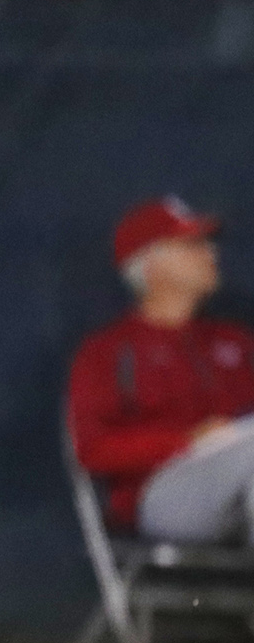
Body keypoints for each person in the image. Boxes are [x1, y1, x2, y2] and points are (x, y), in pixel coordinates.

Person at [69, 196, 254, 544]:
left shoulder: (236, 341)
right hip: (163, 494)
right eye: (192, 245)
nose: (210, 253)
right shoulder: (108, 352)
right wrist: (189, 440)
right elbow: (94, 448)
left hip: (241, 483)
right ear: (151, 265)